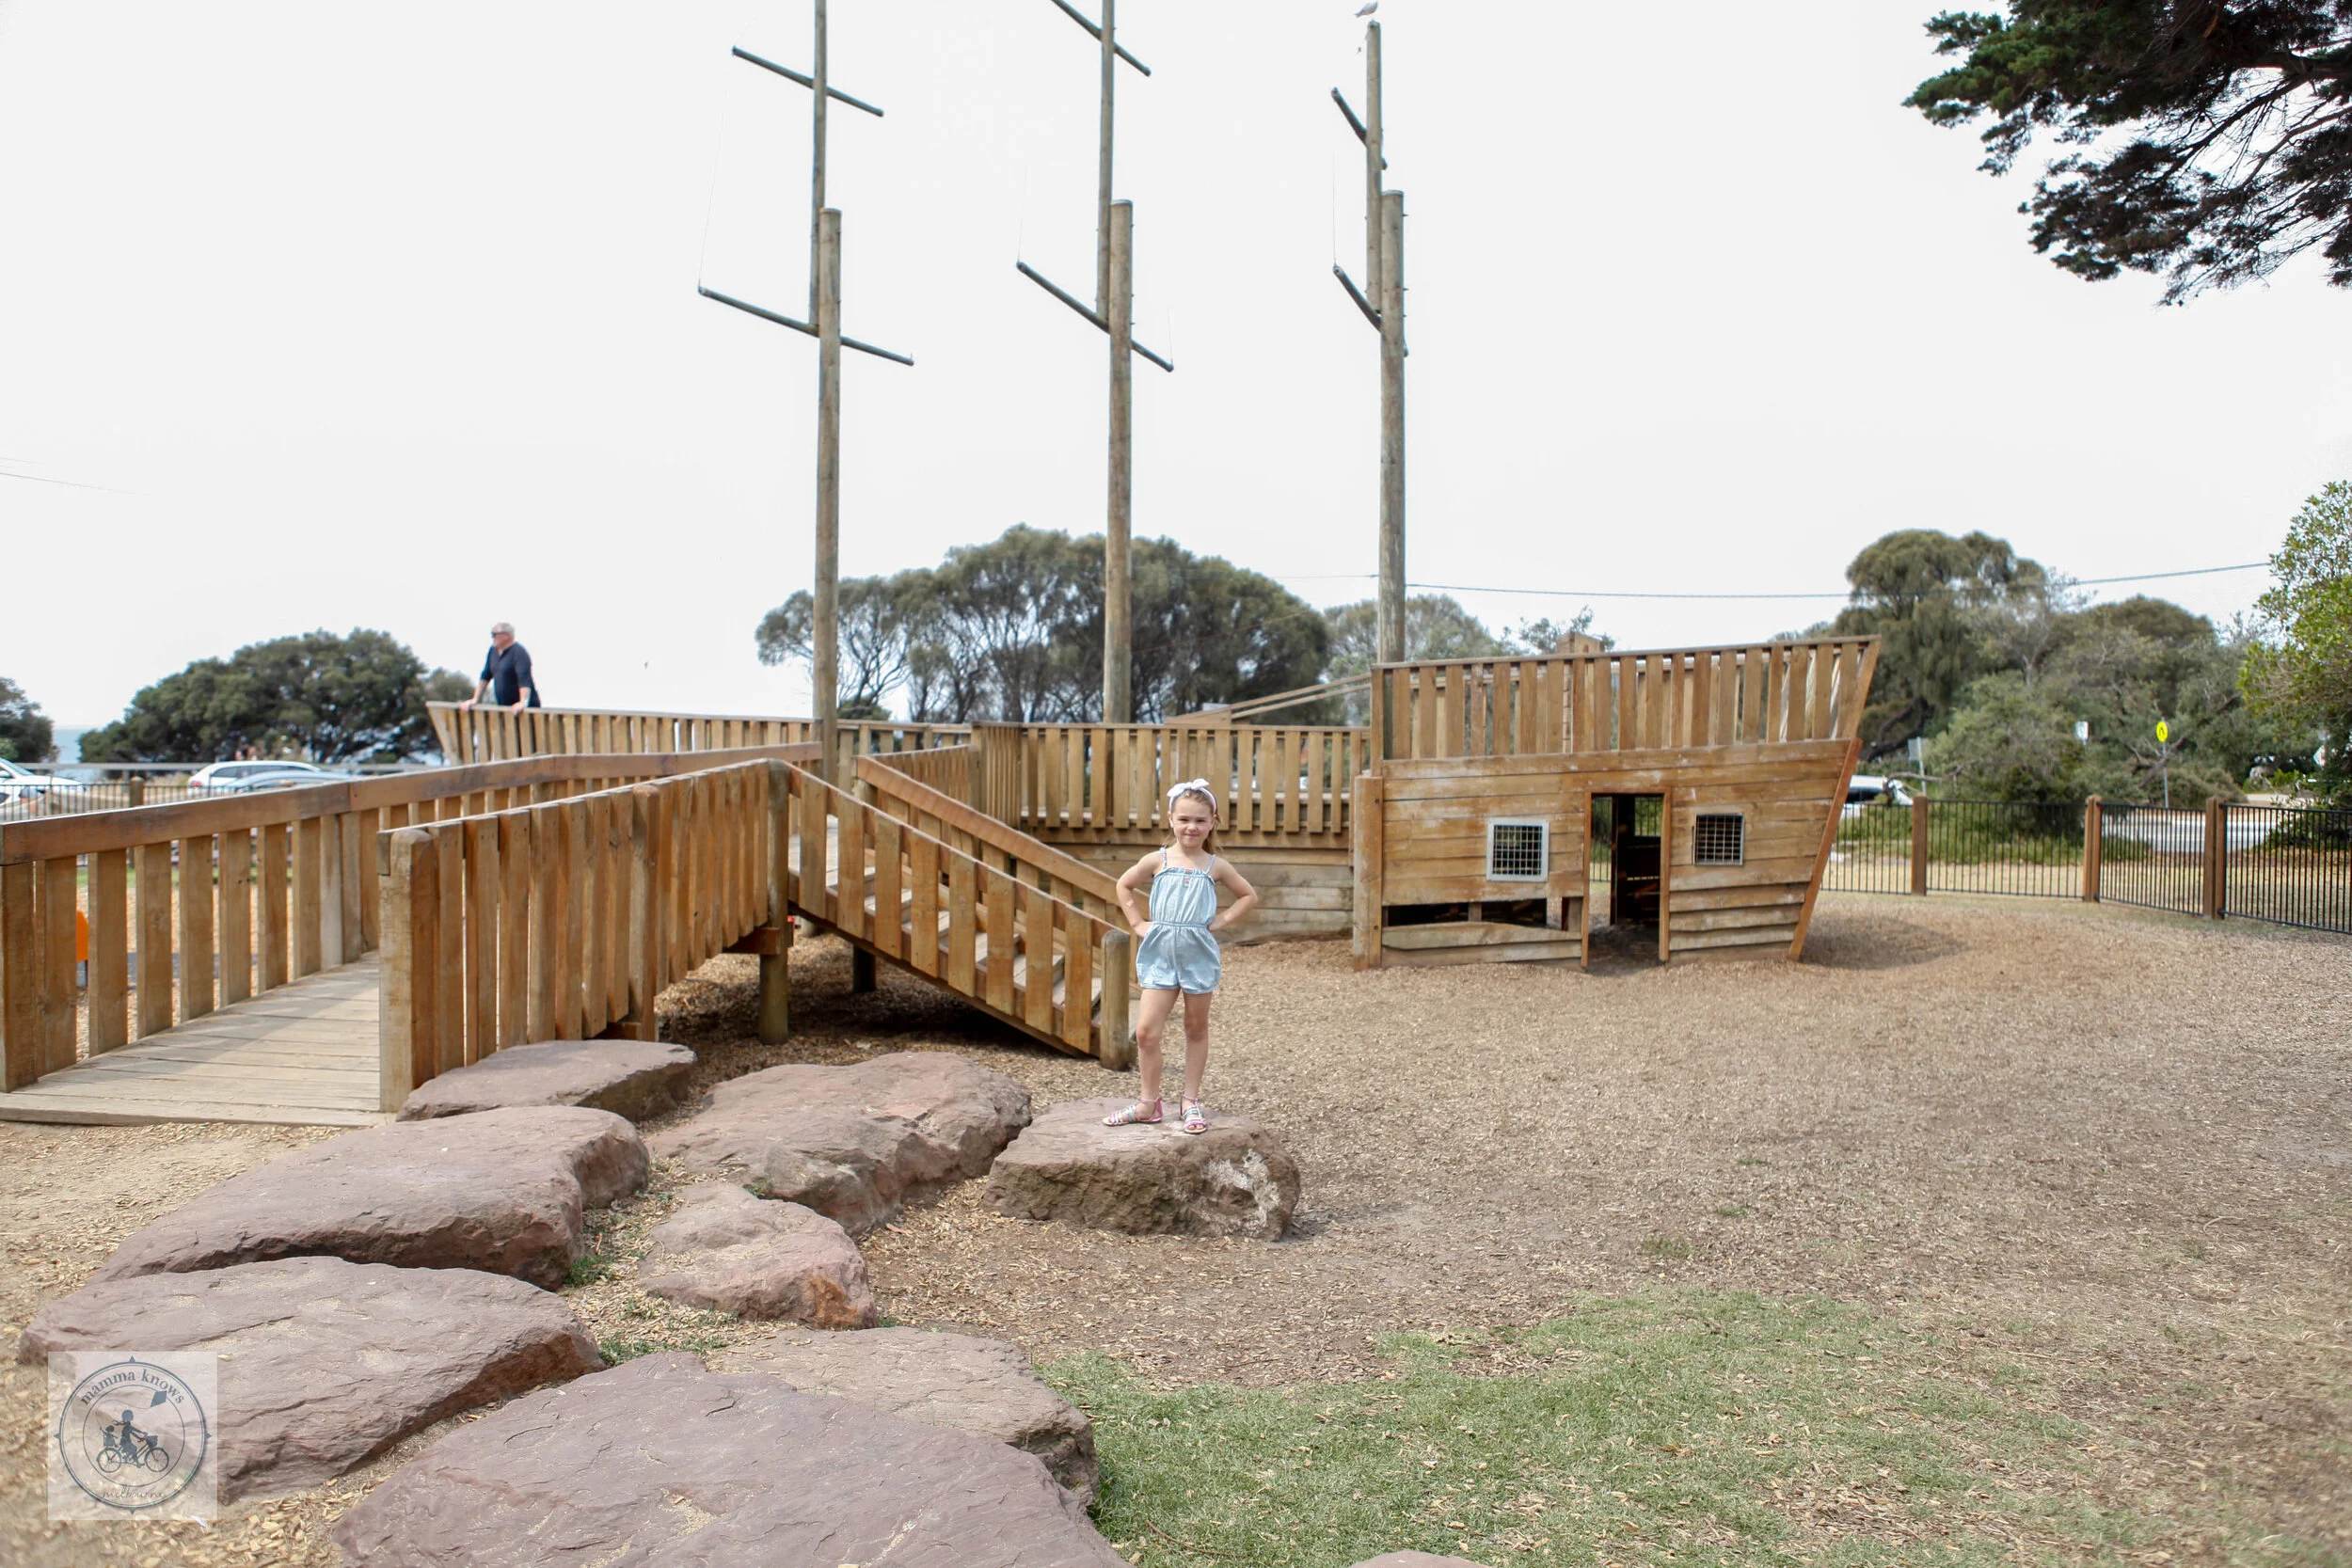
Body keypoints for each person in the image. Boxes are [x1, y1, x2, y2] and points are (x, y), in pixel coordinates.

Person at [1104, 778, 1257, 1134]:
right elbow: (1124, 884)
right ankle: (1148, 1104)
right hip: (1160, 953)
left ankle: (1190, 1102)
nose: (1192, 827)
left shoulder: (1215, 866)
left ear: (1213, 822)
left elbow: (1249, 896)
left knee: (1195, 1027)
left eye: (1200, 820)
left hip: (1197, 956)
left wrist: (1222, 921)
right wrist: (1137, 922)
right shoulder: (1156, 860)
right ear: (1171, 819)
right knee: (1146, 1032)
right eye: (1184, 819)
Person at [463, 623, 539, 712]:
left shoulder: (519, 653)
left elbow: (524, 679)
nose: (493, 637)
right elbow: (485, 676)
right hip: (504, 708)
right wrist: (475, 699)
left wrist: (523, 702)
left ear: (506, 635)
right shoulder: (493, 651)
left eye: (494, 634)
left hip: (524, 710)